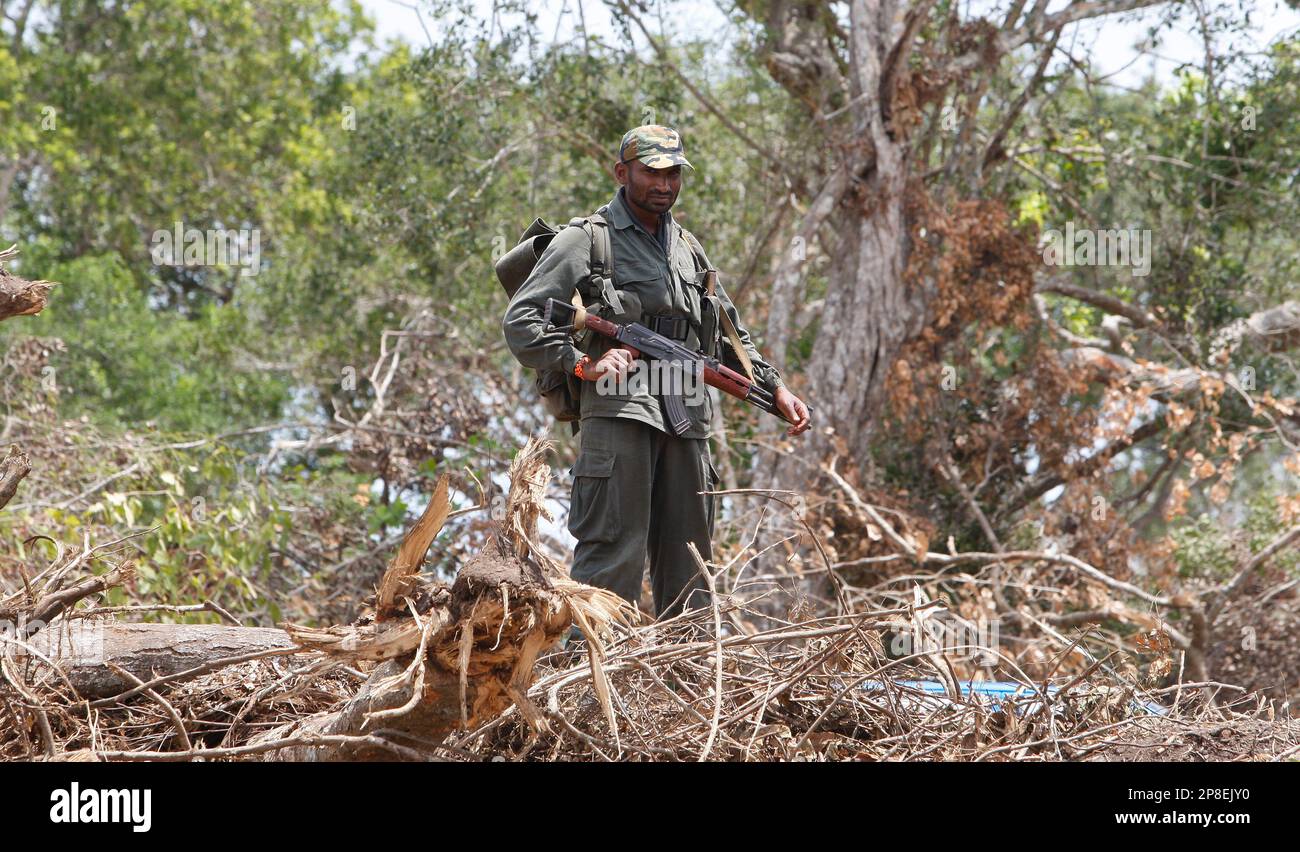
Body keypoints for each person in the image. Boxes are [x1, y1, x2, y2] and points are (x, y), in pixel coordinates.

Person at [502, 124, 810, 620]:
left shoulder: (689, 248)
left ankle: (686, 685)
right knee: (611, 562)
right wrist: (582, 364)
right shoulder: (587, 239)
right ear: (622, 172)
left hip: (686, 417)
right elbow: (523, 319)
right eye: (651, 172)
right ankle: (590, 684)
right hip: (621, 414)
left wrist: (777, 390)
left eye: (673, 173)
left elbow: (729, 336)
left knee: (692, 571)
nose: (664, 184)